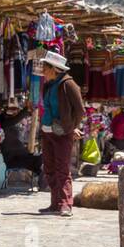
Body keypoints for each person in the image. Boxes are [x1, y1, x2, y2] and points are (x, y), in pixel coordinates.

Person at [38, 50, 84, 217]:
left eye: (45, 67)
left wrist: (71, 127)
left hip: (62, 133)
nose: (42, 71)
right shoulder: (49, 85)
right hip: (47, 131)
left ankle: (65, 204)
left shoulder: (68, 84)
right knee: (49, 168)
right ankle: (54, 203)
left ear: (54, 69)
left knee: (62, 169)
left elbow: (80, 110)